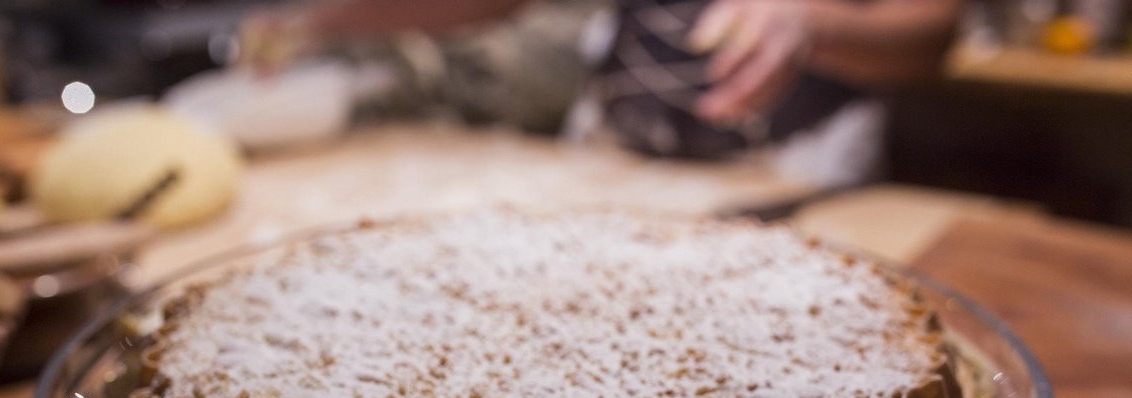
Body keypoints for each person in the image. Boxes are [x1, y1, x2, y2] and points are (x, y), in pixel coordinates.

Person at [239, 0, 965, 183]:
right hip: (617, 153)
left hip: (792, 170)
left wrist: (812, 22)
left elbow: (934, 33)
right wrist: (323, 22)